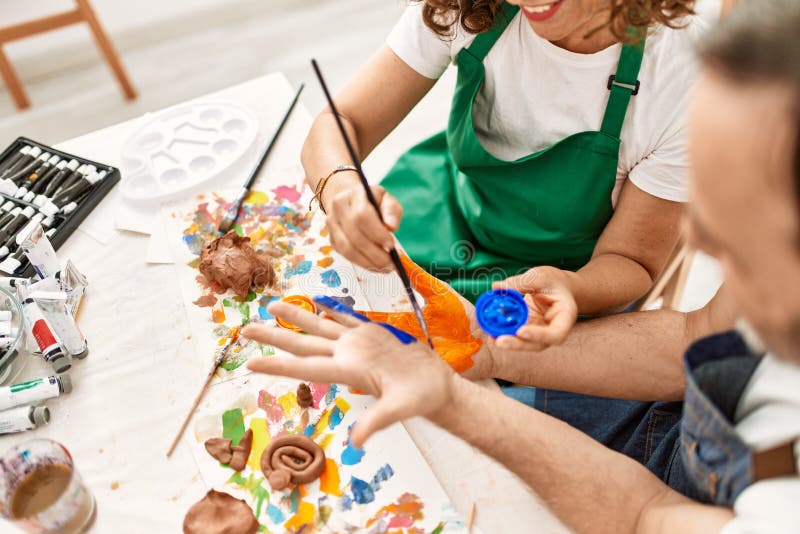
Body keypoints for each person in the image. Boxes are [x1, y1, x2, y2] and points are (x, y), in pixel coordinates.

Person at [246, 1, 800, 531]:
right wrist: (477, 347)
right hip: (461, 247)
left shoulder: (676, 71)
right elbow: (693, 335)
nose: (696, 237)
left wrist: (468, 386)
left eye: (737, 211)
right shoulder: (471, 10)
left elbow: (647, 515)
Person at [302, 0, 703, 347]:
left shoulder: (683, 77)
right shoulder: (470, 6)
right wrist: (342, 189)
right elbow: (342, 121)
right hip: (438, 214)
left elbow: (631, 260)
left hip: (561, 282)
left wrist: (576, 289)